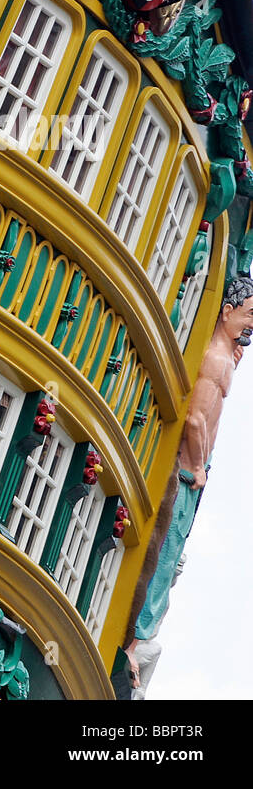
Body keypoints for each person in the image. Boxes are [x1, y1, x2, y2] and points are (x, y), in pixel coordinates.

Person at [123, 275, 253, 688]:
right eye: (249, 315)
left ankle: (138, 639)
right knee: (163, 556)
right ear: (227, 311)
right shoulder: (214, 361)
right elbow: (195, 419)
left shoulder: (224, 356)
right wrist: (197, 467)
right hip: (185, 471)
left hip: (194, 471)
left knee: (170, 555)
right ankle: (134, 640)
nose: (252, 325)